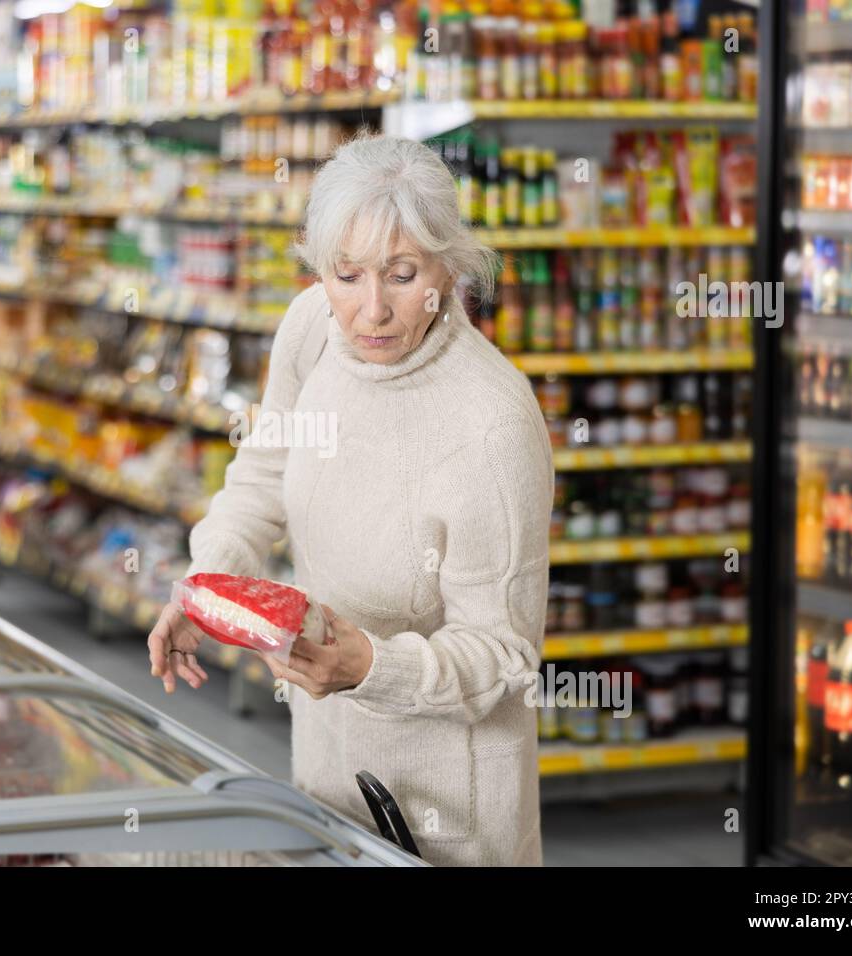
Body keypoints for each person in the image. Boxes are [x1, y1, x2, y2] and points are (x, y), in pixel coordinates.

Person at [147, 133, 554, 867]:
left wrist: (371, 667)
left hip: (448, 818)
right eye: (346, 274)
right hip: (328, 774)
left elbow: (505, 656)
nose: (371, 310)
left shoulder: (493, 425)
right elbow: (262, 475)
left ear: (448, 266)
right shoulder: (312, 331)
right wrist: (206, 588)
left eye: (402, 275)